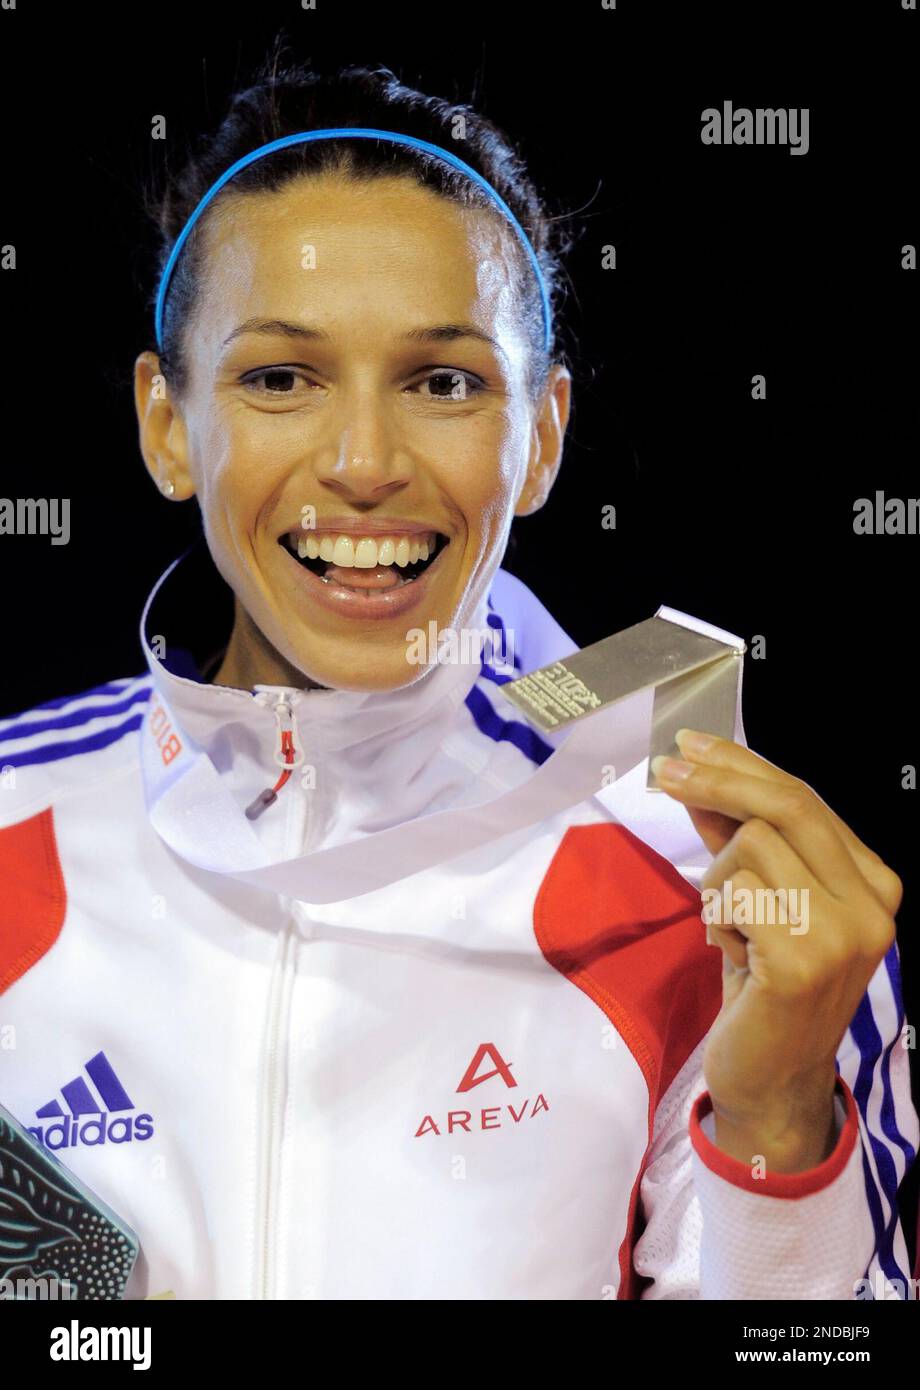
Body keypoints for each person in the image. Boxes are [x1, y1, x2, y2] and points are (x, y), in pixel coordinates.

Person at [0, 52, 916, 1301]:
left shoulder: (703, 867)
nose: (364, 462)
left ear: (538, 437)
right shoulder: (11, 819)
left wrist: (775, 1128)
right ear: (169, 425)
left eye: (443, 382)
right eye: (281, 377)